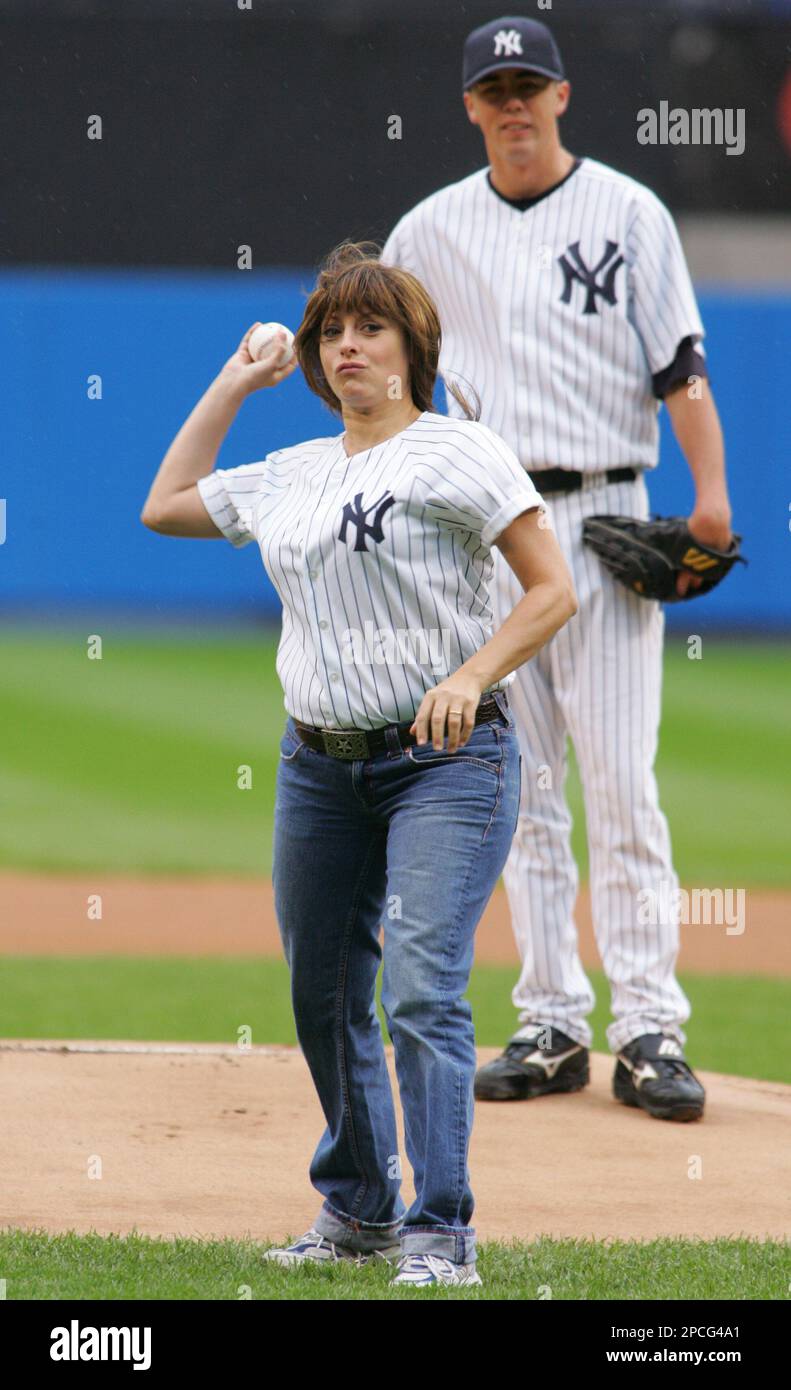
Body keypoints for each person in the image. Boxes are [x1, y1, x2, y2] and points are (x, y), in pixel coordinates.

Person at [140, 242, 576, 1287]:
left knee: (422, 988)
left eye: (369, 327)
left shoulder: (457, 450)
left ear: (411, 343)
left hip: (446, 762)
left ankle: (442, 1229)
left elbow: (550, 590)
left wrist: (470, 674)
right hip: (316, 765)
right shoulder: (290, 472)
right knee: (320, 990)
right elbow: (165, 503)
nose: (346, 345)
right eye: (331, 329)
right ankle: (356, 1209)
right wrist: (238, 380)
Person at [381, 15, 735, 1122]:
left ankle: (648, 1027)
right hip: (490, 522)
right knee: (522, 790)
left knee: (618, 781)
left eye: (529, 84)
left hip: (606, 513)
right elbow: (376, 349)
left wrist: (711, 499)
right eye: (494, 89)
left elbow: (679, 367)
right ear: (471, 107)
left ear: (563, 95)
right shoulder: (430, 228)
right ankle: (549, 1021)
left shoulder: (628, 212)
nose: (513, 103)